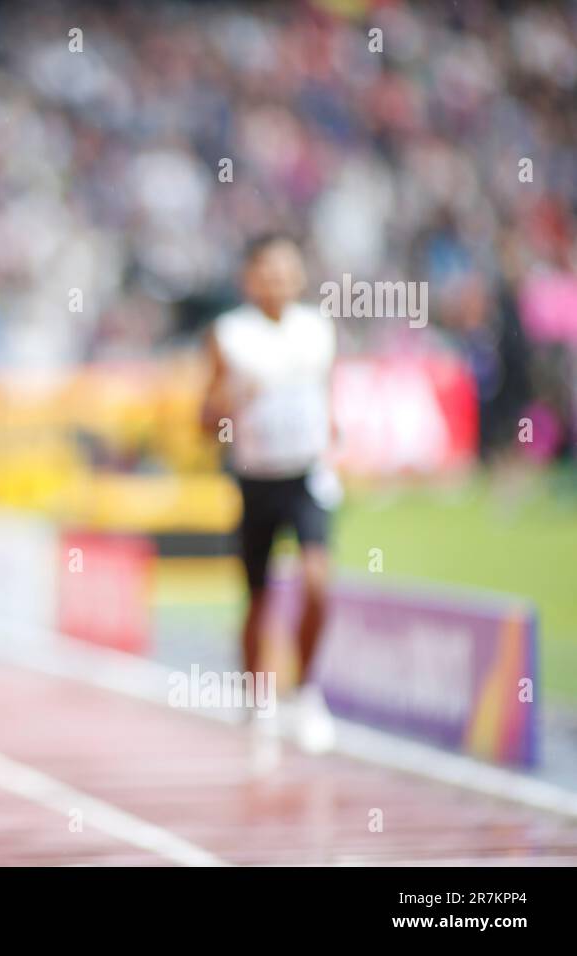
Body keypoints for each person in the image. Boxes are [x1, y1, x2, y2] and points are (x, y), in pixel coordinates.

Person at [202, 233, 340, 754]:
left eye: (286, 269)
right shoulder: (230, 334)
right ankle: (256, 698)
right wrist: (231, 399)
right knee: (257, 597)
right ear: (250, 278)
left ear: (300, 275)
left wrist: (333, 430)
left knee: (317, 579)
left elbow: (329, 396)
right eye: (267, 271)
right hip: (256, 478)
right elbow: (204, 418)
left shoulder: (318, 330)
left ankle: (306, 694)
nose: (277, 280)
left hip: (307, 477)